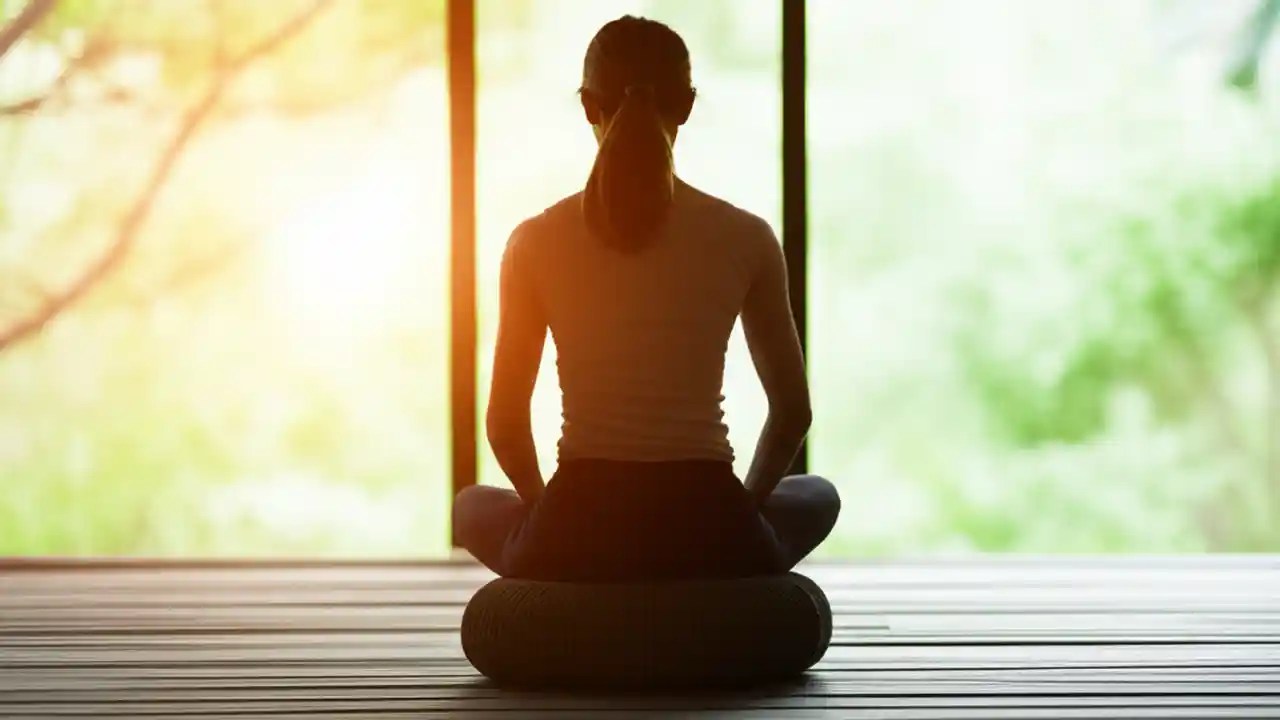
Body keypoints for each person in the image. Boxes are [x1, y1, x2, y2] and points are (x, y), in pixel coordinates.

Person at [453, 15, 839, 582]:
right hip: (709, 524)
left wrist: (545, 516)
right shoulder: (746, 236)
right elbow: (792, 414)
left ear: (589, 105)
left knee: (470, 506)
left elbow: (505, 423)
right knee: (816, 495)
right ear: (685, 105)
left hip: (577, 524)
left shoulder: (533, 240)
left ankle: (559, 551)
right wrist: (744, 510)